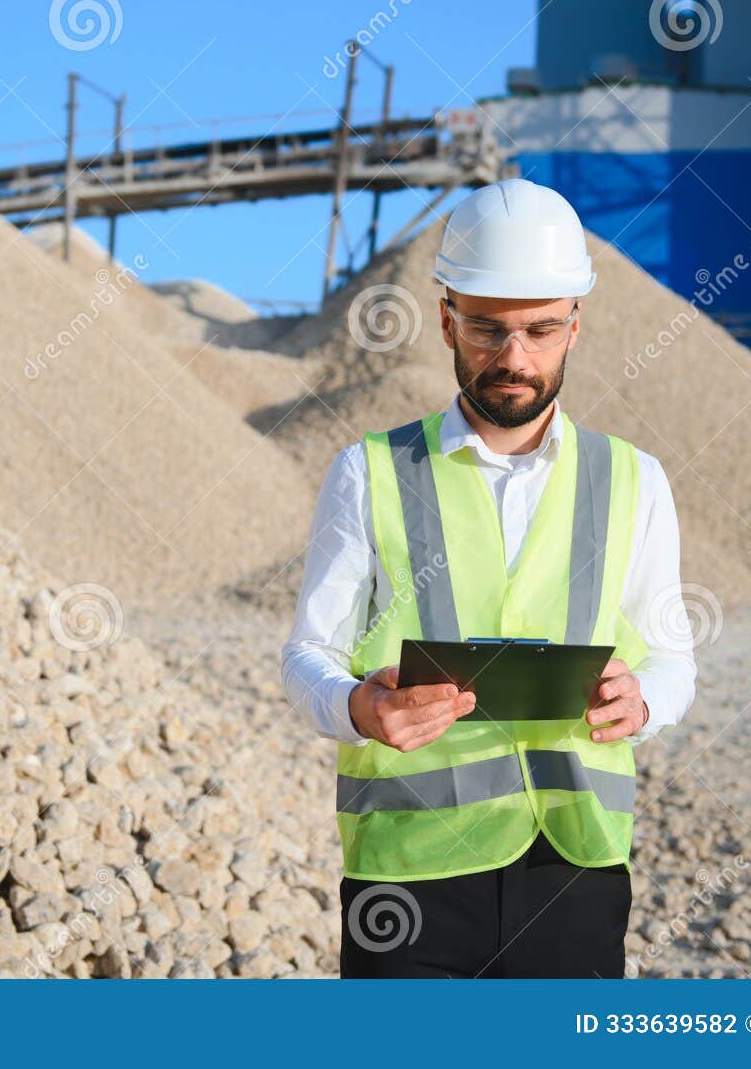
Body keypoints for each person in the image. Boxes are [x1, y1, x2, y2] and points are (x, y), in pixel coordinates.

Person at [280, 179, 697, 978]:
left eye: (541, 329)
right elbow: (306, 656)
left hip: (572, 874)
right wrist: (360, 706)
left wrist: (643, 701)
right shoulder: (370, 472)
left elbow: (676, 660)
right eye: (488, 329)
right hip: (407, 880)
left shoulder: (632, 479)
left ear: (576, 323)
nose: (515, 357)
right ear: (445, 320)